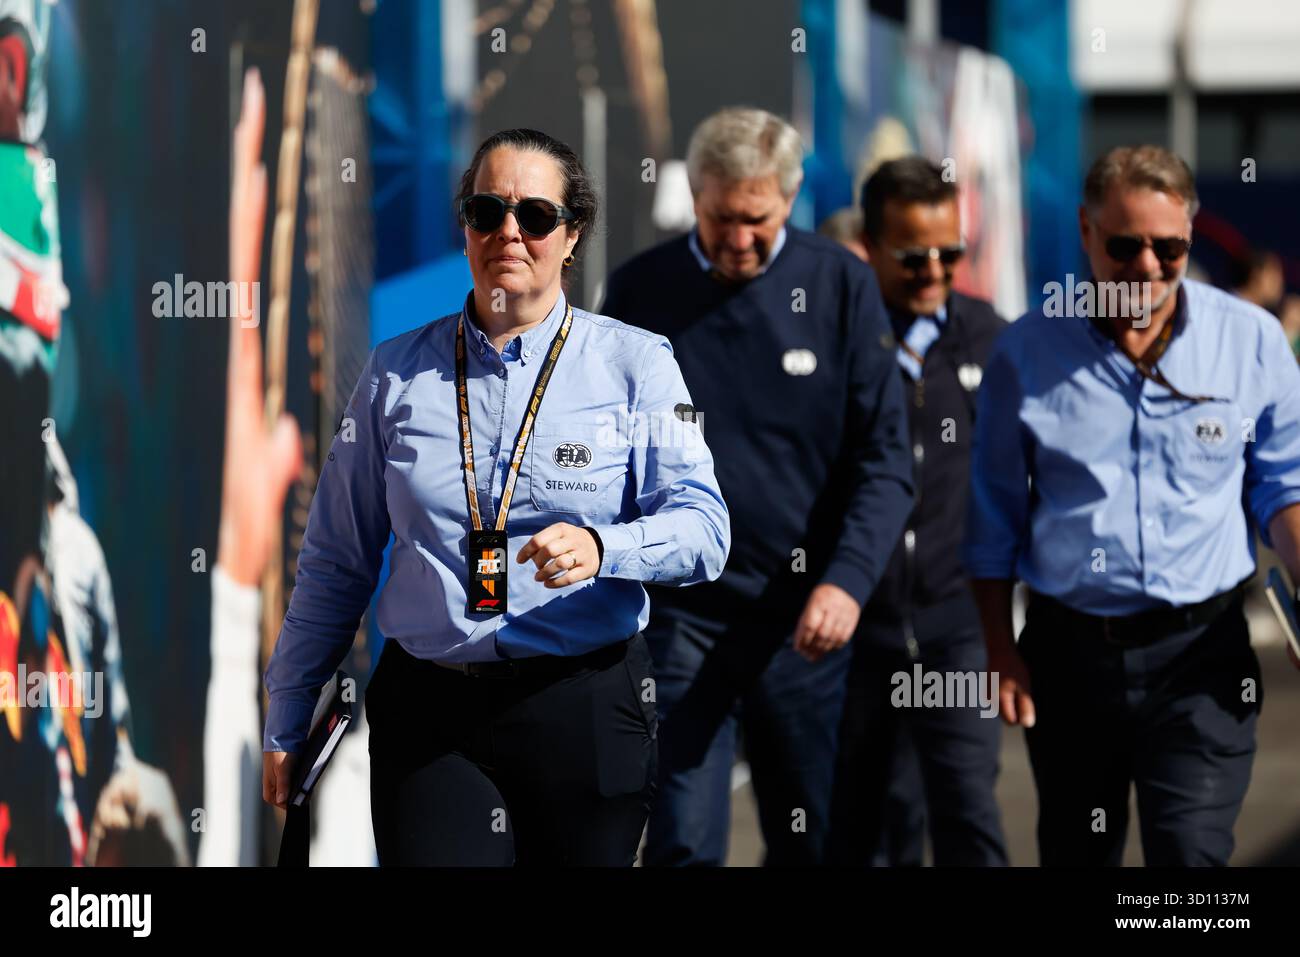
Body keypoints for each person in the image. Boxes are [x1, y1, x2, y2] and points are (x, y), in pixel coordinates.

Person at [261, 127, 730, 866]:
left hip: (584, 698)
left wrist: (606, 547)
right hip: (433, 714)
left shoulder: (637, 364)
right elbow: (335, 560)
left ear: (572, 235)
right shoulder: (394, 373)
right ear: (467, 226)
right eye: (488, 212)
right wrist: (287, 717)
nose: (510, 232)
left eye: (536, 216)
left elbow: (705, 529)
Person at [967, 144, 1300, 866]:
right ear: (1086, 231)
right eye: (1124, 245)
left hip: (1202, 657)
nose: (1146, 266)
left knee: (1190, 858)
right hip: (1069, 658)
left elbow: (1285, 485)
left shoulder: (1250, 341)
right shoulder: (1025, 353)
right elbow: (993, 518)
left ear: (1191, 234)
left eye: (1170, 246)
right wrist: (999, 648)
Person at [601, 107, 912, 866]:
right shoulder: (643, 292)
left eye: (757, 220)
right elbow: (609, 454)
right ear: (695, 196)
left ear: (791, 196)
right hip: (680, 621)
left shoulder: (839, 286)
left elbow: (887, 459)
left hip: (803, 626)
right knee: (680, 843)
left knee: (809, 840)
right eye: (719, 219)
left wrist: (843, 582)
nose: (738, 239)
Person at [828, 156, 1008, 867]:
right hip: (849, 634)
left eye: (949, 253)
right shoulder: (833, 341)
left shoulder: (993, 338)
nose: (935, 270)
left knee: (969, 811)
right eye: (913, 255)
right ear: (869, 244)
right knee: (858, 827)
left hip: (956, 626)